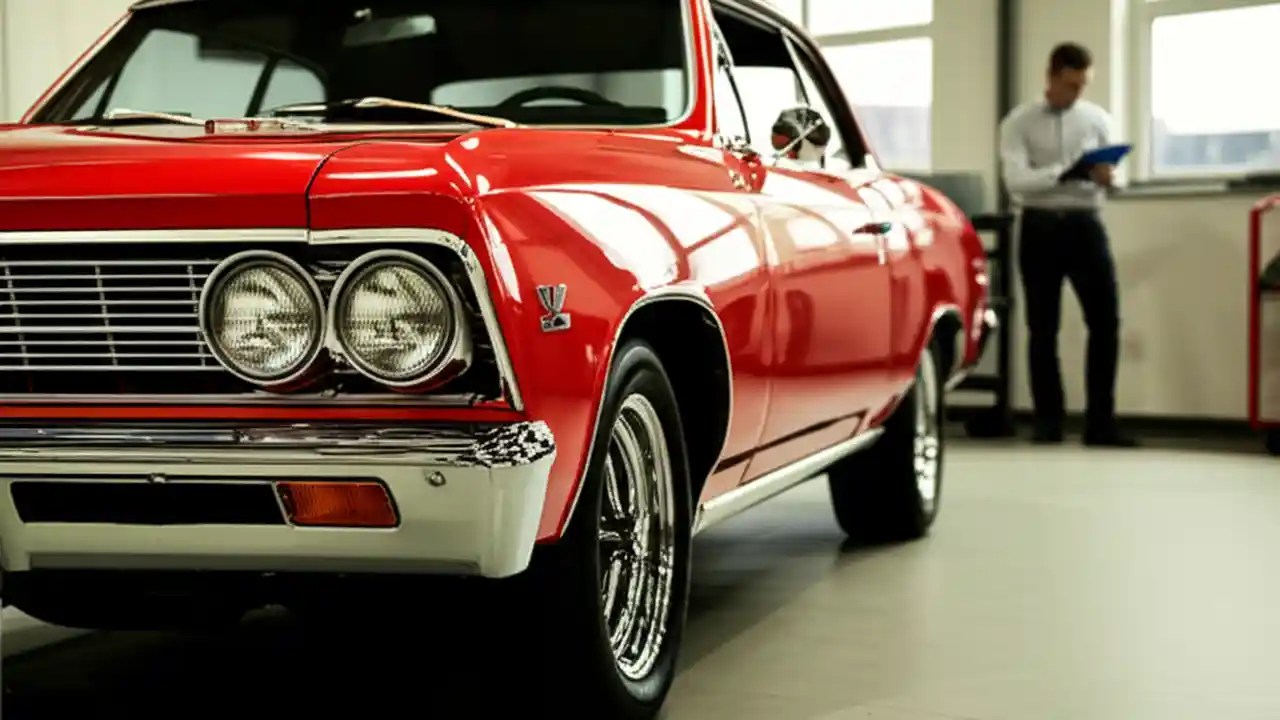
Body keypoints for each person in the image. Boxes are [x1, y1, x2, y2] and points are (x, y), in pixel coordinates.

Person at [999, 42, 1138, 447]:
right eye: (1070, 85)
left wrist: (1110, 180)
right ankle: (1048, 423)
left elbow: (1120, 179)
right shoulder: (1018, 123)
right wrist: (1064, 173)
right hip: (1039, 228)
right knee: (1042, 328)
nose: (1076, 93)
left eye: (1082, 86)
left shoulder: (1097, 120)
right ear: (1051, 77)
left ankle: (1100, 424)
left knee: (1106, 323)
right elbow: (1016, 181)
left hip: (1085, 226)